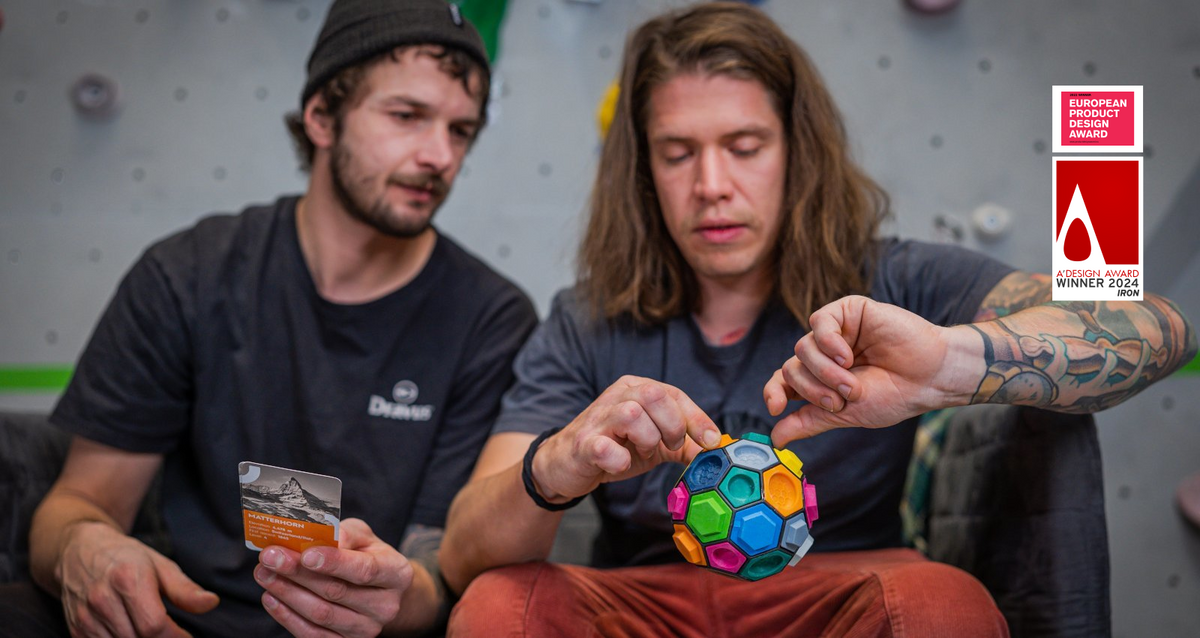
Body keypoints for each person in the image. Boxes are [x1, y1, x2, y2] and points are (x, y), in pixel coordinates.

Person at [439, 3, 1197, 636]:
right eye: (676, 154)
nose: (711, 185)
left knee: (943, 607)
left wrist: (946, 366)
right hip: (645, 601)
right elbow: (463, 556)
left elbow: (1152, 326)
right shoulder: (586, 321)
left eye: (744, 146)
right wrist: (560, 462)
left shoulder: (896, 277)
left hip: (852, 590)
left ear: (797, 153)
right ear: (642, 172)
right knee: (498, 609)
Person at [7, 1, 538, 636]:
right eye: (407, 116)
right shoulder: (191, 275)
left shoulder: (489, 319)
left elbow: (438, 575)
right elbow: (77, 504)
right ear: (321, 117)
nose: (439, 156)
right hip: (183, 618)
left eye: (461, 131)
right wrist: (83, 550)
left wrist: (391, 596)